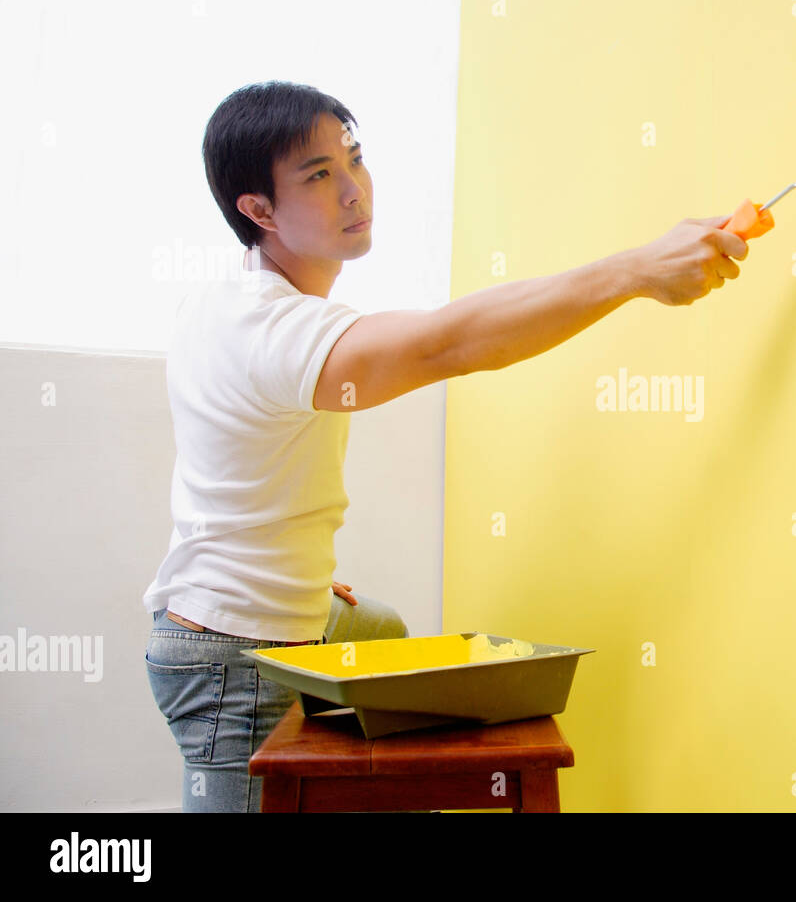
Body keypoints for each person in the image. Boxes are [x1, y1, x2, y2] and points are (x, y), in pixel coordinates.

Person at [143, 80, 748, 812]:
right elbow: (445, 345)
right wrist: (635, 271)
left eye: (354, 158)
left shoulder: (236, 305)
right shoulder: (265, 329)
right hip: (228, 660)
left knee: (382, 630)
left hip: (254, 609)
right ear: (258, 210)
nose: (353, 190)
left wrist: (292, 569)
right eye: (319, 175)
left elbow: (234, 461)